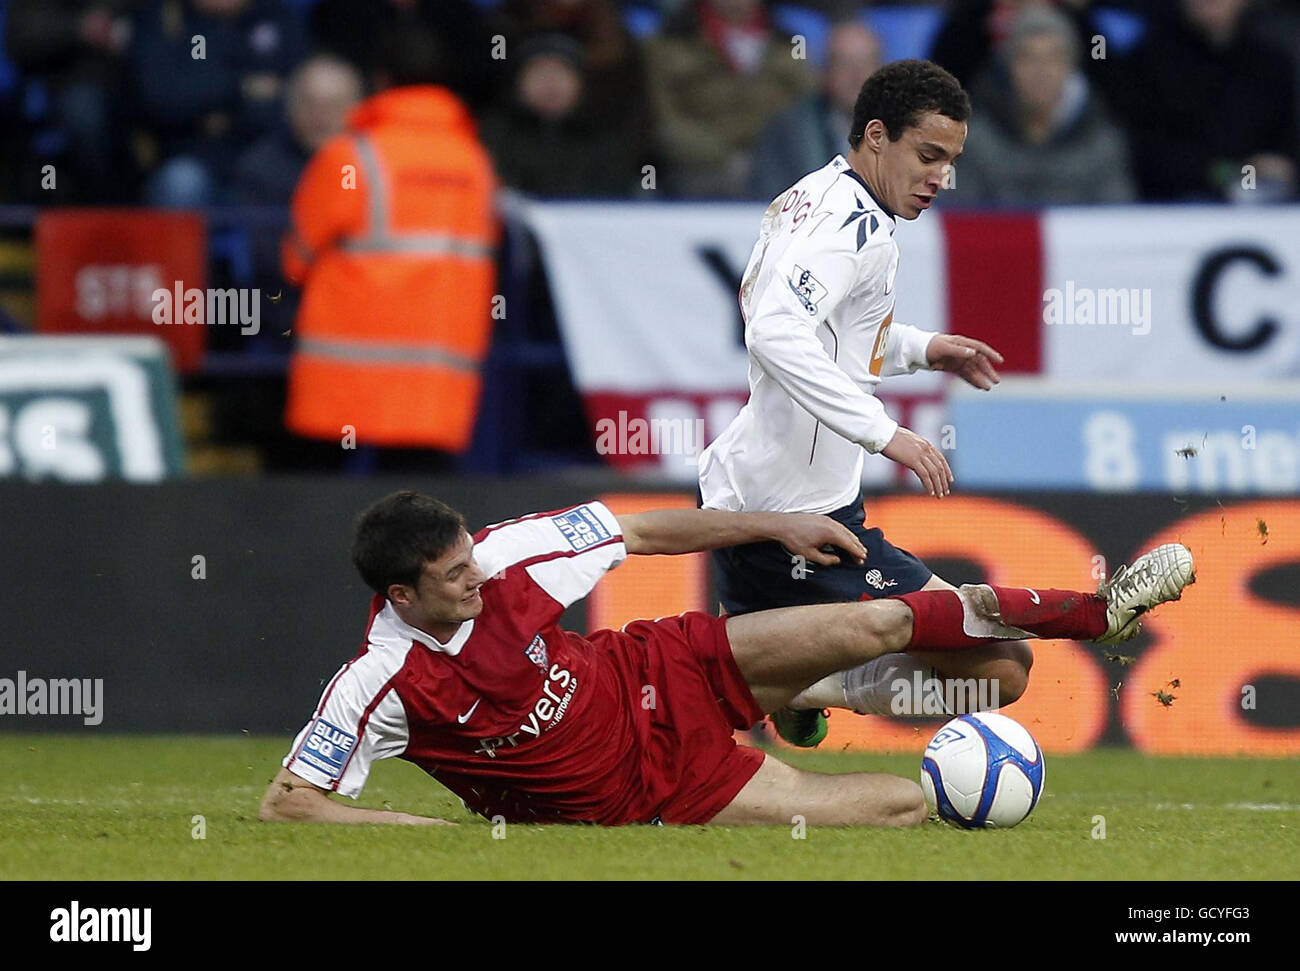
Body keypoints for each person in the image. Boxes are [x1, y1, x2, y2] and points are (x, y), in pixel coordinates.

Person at [259, 491, 1192, 827]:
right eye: (455, 576)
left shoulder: (508, 554)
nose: (477, 576)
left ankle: (1095, 610)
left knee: (887, 621)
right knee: (908, 804)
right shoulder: (379, 681)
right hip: (653, 794)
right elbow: (291, 801)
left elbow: (647, 529)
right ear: (401, 597)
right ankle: (809, 710)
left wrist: (776, 522)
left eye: (472, 558)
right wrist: (431, 836)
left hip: (661, 668)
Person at [698, 58, 1060, 749]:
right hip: (801, 522)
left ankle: (772, 669)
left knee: (979, 665)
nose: (941, 179)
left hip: (756, 498)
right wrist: (881, 432)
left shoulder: (816, 196)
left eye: (951, 162)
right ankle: (795, 677)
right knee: (1000, 668)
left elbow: (828, 333)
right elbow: (774, 330)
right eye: (928, 156)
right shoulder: (850, 226)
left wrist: (922, 348)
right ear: (874, 135)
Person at [280, 24, 497, 463]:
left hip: (343, 375)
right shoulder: (474, 163)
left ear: (380, 79)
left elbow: (295, 259)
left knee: (312, 508)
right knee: (418, 517)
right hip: (435, 381)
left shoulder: (353, 155)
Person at [941, 5, 1136, 205]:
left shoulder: (1102, 144)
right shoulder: (972, 142)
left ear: (1071, 67)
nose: (1041, 72)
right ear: (1008, 68)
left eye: (1053, 59)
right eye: (1027, 58)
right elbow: (955, 213)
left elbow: (1116, 220)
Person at [748, 18, 883, 201]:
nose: (856, 75)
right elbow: (768, 202)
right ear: (824, 72)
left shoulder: (910, 130)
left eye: (866, 63)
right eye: (844, 63)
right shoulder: (788, 133)